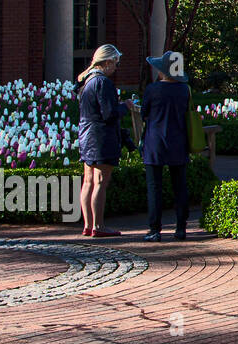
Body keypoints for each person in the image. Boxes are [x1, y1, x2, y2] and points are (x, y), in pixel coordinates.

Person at [77, 44, 130, 238]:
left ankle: (88, 225)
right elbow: (109, 114)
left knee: (88, 182)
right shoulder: (103, 83)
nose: (116, 67)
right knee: (100, 182)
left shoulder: (87, 81)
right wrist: (125, 106)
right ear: (106, 62)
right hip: (101, 137)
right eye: (115, 63)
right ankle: (98, 226)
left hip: (86, 135)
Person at [140, 51, 192, 242]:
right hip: (178, 142)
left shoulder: (153, 89)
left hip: (155, 143)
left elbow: (143, 113)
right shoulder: (184, 90)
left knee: (154, 187)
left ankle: (155, 229)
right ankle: (181, 228)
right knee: (180, 186)